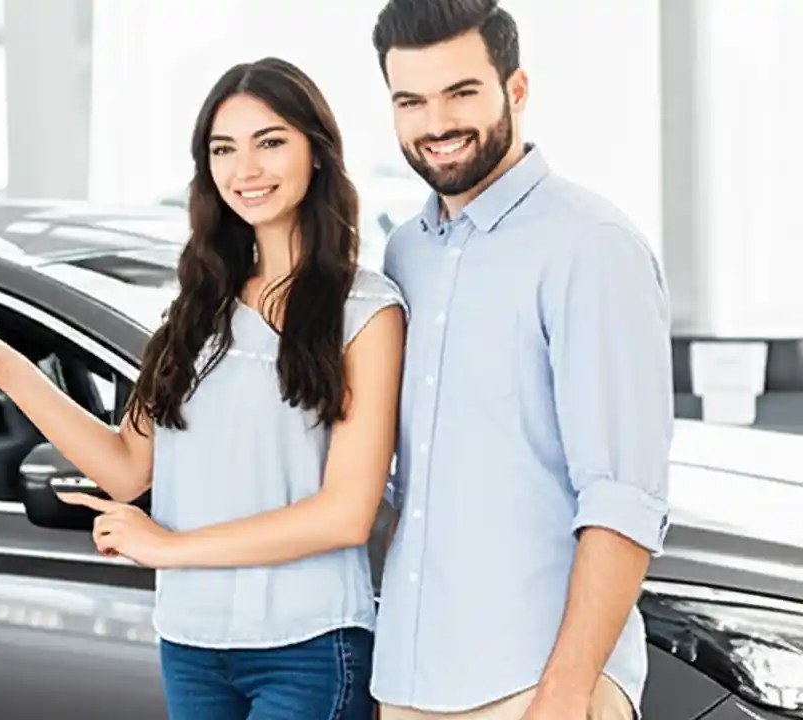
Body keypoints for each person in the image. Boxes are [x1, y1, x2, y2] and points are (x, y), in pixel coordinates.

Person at [0, 57, 405, 720]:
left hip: (307, 645)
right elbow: (126, 467)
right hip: (191, 644)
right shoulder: (196, 310)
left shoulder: (367, 311)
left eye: (269, 142)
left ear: (316, 152)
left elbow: (345, 513)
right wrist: (10, 370)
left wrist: (172, 548)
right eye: (223, 150)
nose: (246, 169)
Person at [367, 1, 673, 719]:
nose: (436, 122)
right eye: (411, 101)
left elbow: (624, 497)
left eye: (461, 93)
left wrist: (565, 691)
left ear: (517, 89)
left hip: (536, 685)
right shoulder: (405, 253)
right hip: (411, 683)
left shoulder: (591, 246)